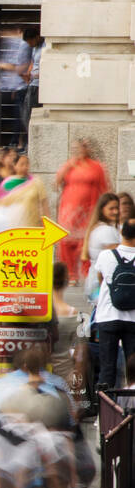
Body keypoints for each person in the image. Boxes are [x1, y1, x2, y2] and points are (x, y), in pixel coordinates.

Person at [90, 218, 135, 392]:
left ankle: (104, 413)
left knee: (107, 368)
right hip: (132, 319)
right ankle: (131, 410)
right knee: (133, 369)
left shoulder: (105, 255)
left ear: (122, 233)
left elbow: (101, 280)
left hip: (108, 316)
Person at [55, 139, 110, 281]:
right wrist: (68, 165)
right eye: (75, 148)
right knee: (67, 241)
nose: (78, 151)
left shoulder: (97, 166)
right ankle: (70, 274)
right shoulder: (70, 165)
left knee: (85, 241)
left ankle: (86, 273)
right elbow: (56, 183)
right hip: (69, 207)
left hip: (88, 208)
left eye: (81, 148)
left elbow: (104, 188)